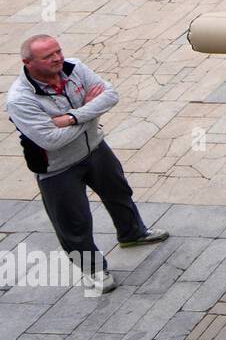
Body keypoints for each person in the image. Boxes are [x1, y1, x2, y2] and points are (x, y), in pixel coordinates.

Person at [6, 34, 168, 294]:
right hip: (57, 168)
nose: (57, 58)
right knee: (74, 223)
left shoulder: (74, 67)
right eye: (48, 56)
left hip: (95, 149)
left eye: (58, 51)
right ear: (28, 63)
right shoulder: (20, 100)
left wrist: (72, 117)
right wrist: (91, 111)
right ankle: (93, 270)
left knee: (119, 193)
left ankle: (133, 233)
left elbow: (111, 95)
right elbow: (50, 140)